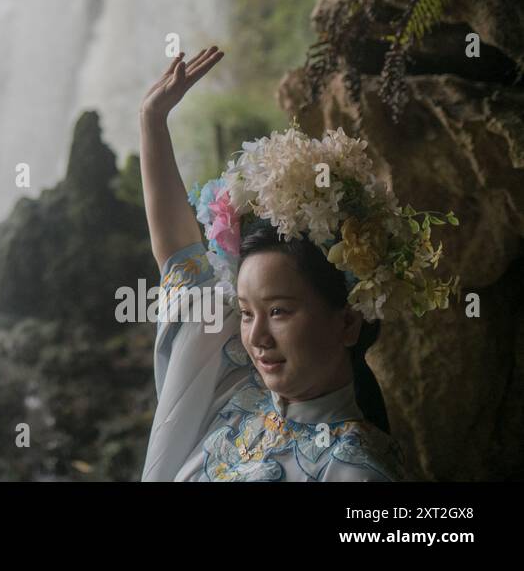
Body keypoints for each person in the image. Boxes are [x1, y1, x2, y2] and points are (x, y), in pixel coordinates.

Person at [136, 46, 457, 481]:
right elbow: (181, 259)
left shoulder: (353, 471)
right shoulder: (237, 392)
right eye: (246, 313)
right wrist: (152, 122)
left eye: (279, 311)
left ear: (346, 321)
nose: (256, 337)